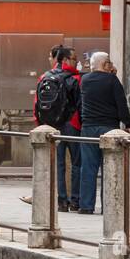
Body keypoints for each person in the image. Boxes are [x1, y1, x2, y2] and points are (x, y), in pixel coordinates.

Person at [76, 50, 130, 215]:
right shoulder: (112, 80)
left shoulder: (84, 80)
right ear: (104, 64)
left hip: (88, 127)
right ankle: (107, 205)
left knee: (88, 168)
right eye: (109, 62)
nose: (111, 65)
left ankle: (86, 205)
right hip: (108, 127)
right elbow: (121, 103)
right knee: (109, 167)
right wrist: (127, 124)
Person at [35, 45, 82, 212]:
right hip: (72, 124)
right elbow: (80, 105)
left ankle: (62, 201)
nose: (77, 62)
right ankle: (75, 200)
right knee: (77, 163)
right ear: (66, 60)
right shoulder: (75, 79)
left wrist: (40, 125)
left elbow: (37, 104)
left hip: (52, 125)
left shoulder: (44, 77)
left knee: (59, 164)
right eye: (75, 59)